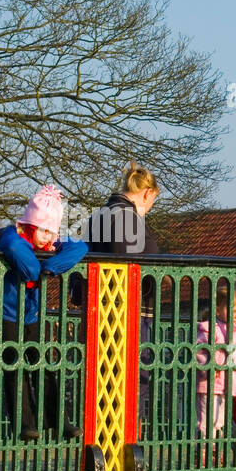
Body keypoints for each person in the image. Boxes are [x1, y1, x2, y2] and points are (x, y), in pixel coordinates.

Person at [0, 184, 88, 442]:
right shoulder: (11, 235)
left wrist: (51, 266)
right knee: (13, 367)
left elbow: (80, 247)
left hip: (30, 312)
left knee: (42, 363)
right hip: (4, 311)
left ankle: (59, 421)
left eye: (51, 231)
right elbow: (20, 256)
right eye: (42, 229)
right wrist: (40, 268)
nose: (46, 237)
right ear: (29, 224)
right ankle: (25, 424)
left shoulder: (49, 242)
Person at [82, 163, 160, 423]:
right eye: (152, 202)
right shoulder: (126, 217)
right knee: (132, 376)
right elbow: (124, 262)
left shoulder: (102, 214)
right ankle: (121, 439)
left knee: (108, 374)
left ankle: (110, 434)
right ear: (147, 193)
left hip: (104, 307)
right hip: (127, 309)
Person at [196, 288, 236, 442]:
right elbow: (200, 350)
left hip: (228, 385)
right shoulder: (209, 328)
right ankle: (203, 449)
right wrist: (211, 364)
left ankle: (214, 448)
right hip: (210, 382)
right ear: (217, 308)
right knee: (207, 419)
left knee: (219, 419)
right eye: (232, 310)